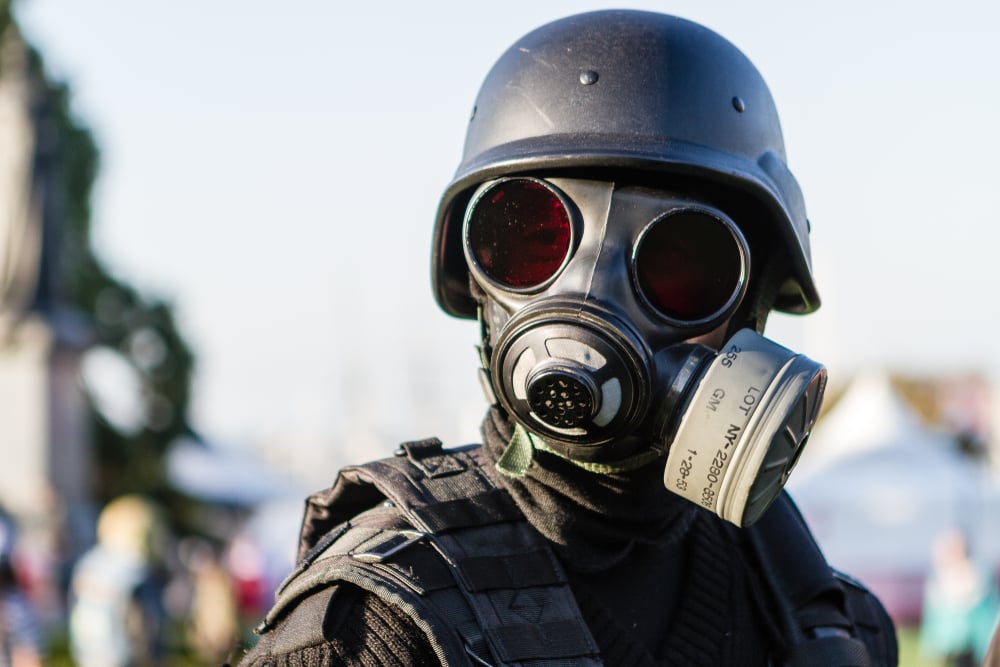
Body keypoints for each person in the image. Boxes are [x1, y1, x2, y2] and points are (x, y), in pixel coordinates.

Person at [236, 10, 898, 667]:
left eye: (683, 265)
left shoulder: (820, 618)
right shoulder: (373, 633)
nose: (592, 301)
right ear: (475, 286)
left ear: (752, 312)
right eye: (532, 243)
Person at [919, 528, 1000, 666]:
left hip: (979, 642)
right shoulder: (940, 578)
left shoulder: (979, 572)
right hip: (953, 645)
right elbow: (934, 618)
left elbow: (987, 611)